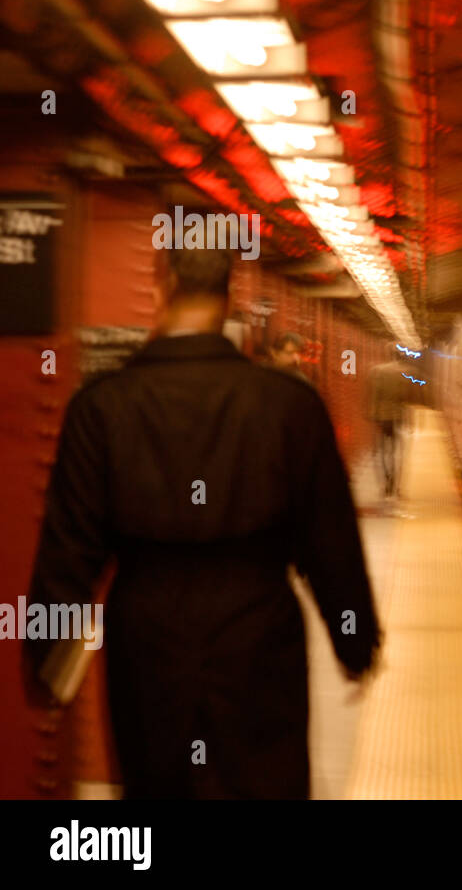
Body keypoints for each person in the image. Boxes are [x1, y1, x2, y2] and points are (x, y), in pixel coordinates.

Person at [23, 241, 381, 799]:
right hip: (259, 626)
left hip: (146, 633)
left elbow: (69, 550)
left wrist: (45, 658)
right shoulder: (287, 404)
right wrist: (354, 641)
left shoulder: (102, 406)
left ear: (160, 285)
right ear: (230, 293)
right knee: (266, 780)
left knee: (157, 783)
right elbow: (329, 540)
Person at [367, 351, 408, 500]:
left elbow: (376, 394)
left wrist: (373, 414)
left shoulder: (380, 371)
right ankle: (396, 485)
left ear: (389, 355)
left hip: (383, 417)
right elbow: (406, 395)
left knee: (383, 451)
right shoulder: (404, 372)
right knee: (397, 452)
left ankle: (387, 481)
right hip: (398, 416)